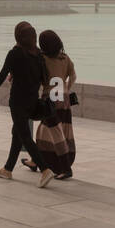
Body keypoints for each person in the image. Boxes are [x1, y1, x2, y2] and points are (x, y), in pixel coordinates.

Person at [0, 21, 54, 187]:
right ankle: (7, 169)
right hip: (32, 100)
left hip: (17, 101)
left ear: (18, 36)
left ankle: (45, 170)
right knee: (17, 132)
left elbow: (2, 75)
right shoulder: (38, 54)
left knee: (24, 135)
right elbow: (45, 79)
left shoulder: (15, 53)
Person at [21, 29, 77, 180]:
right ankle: (35, 162)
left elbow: (36, 77)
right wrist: (67, 88)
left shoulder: (43, 59)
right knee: (46, 131)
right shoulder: (65, 58)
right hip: (63, 100)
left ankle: (66, 168)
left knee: (55, 134)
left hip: (50, 102)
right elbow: (73, 75)